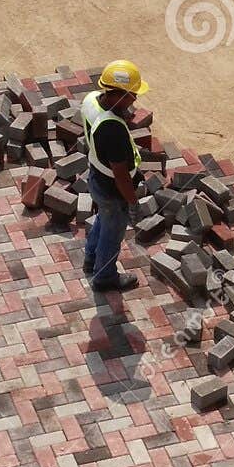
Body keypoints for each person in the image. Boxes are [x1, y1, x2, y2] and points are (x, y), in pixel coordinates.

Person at [82, 60, 149, 293]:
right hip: (113, 189)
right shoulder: (113, 129)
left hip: (96, 178)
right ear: (117, 95)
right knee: (113, 232)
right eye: (131, 95)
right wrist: (132, 202)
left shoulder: (91, 100)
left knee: (104, 218)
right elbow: (121, 175)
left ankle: (90, 260)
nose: (135, 100)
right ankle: (104, 278)